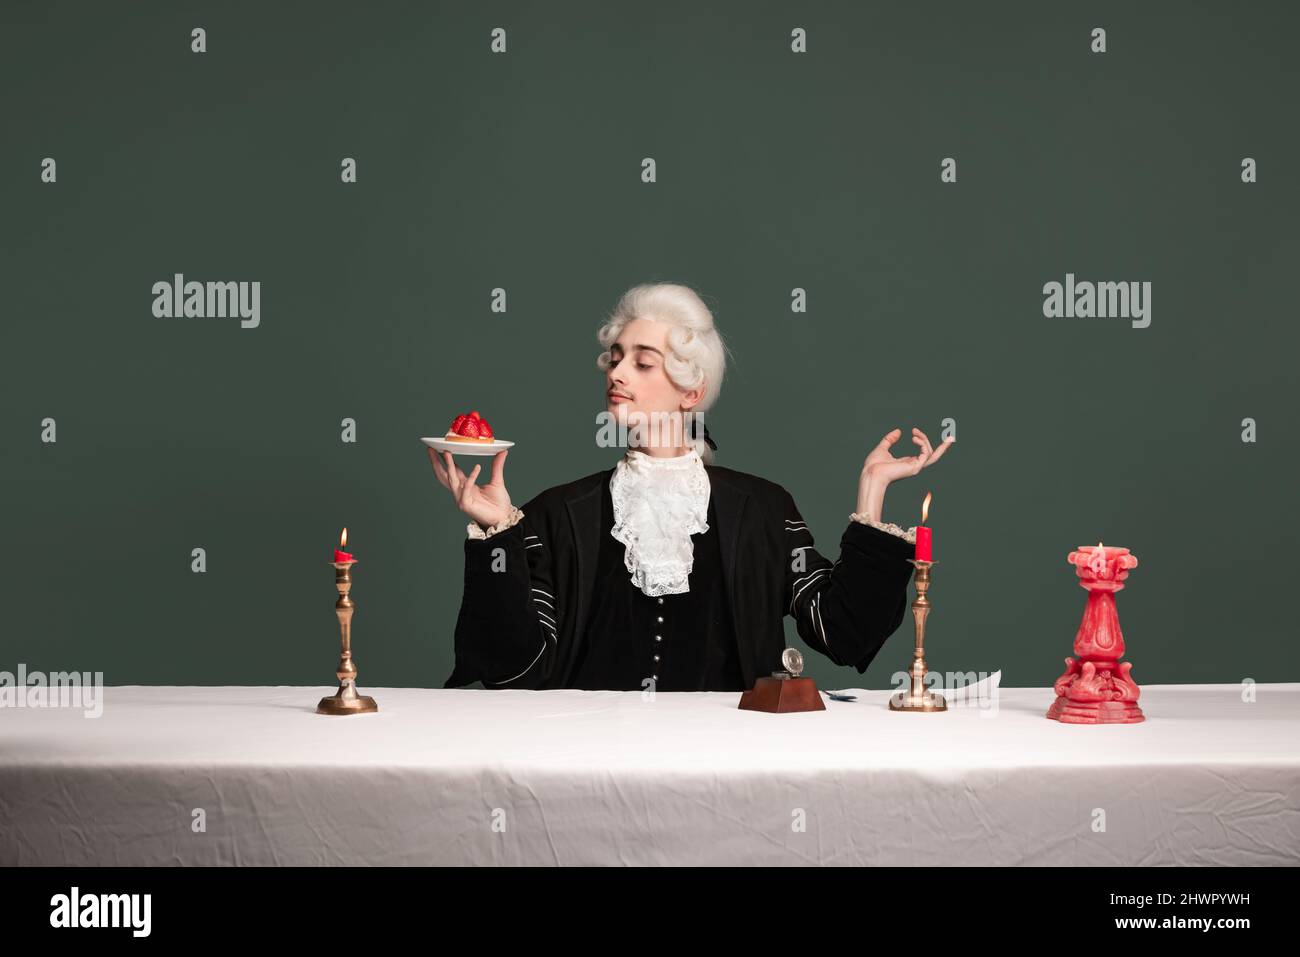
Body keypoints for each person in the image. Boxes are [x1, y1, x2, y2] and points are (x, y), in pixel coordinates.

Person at [429, 282, 953, 691]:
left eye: (642, 361)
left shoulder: (763, 510)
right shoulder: (558, 513)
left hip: (728, 766)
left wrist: (871, 489)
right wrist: (497, 529)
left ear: (691, 390)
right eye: (615, 357)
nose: (617, 371)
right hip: (592, 766)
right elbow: (515, 671)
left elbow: (841, 632)